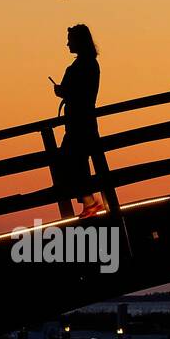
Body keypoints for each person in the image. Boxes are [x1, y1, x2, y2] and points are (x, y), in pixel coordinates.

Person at [51, 24, 105, 218]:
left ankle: (89, 204)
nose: (67, 44)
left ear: (79, 41)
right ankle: (90, 203)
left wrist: (61, 91)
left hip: (79, 123)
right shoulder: (90, 64)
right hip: (85, 121)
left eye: (70, 40)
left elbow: (75, 91)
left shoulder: (82, 65)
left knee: (68, 161)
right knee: (78, 162)